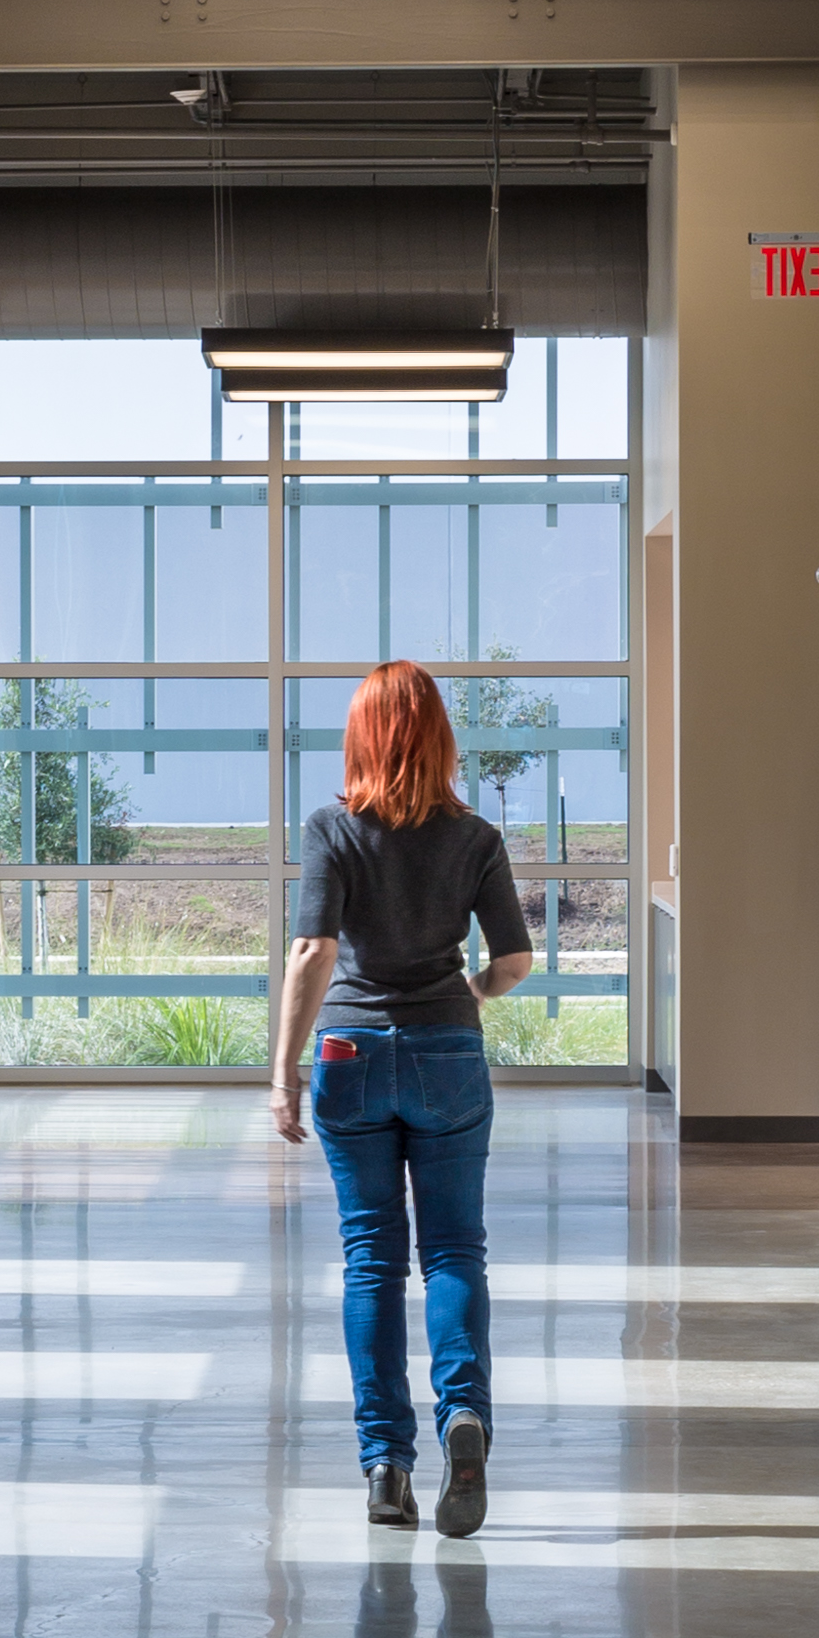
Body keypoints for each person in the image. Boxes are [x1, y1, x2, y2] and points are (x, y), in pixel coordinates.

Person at [270, 659, 534, 1538]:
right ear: (440, 739)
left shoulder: (331, 829)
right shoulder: (476, 837)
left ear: (361, 736)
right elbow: (514, 960)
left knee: (371, 1260)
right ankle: (465, 1415)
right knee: (454, 1249)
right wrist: (472, 994)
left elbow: (313, 953)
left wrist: (283, 1071)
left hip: (349, 1051)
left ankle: (386, 1465)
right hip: (446, 1051)